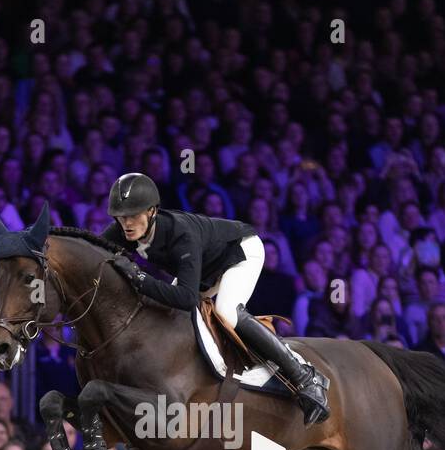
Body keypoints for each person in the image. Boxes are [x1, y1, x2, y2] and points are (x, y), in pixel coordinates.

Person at [99, 173, 329, 423]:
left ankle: (305, 378)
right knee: (166, 313)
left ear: (152, 211)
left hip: (240, 251)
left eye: (133, 216)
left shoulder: (180, 235)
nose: (126, 224)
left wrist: (139, 279)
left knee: (226, 311)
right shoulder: (122, 231)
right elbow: (91, 248)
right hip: (205, 268)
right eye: (121, 217)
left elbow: (187, 297)